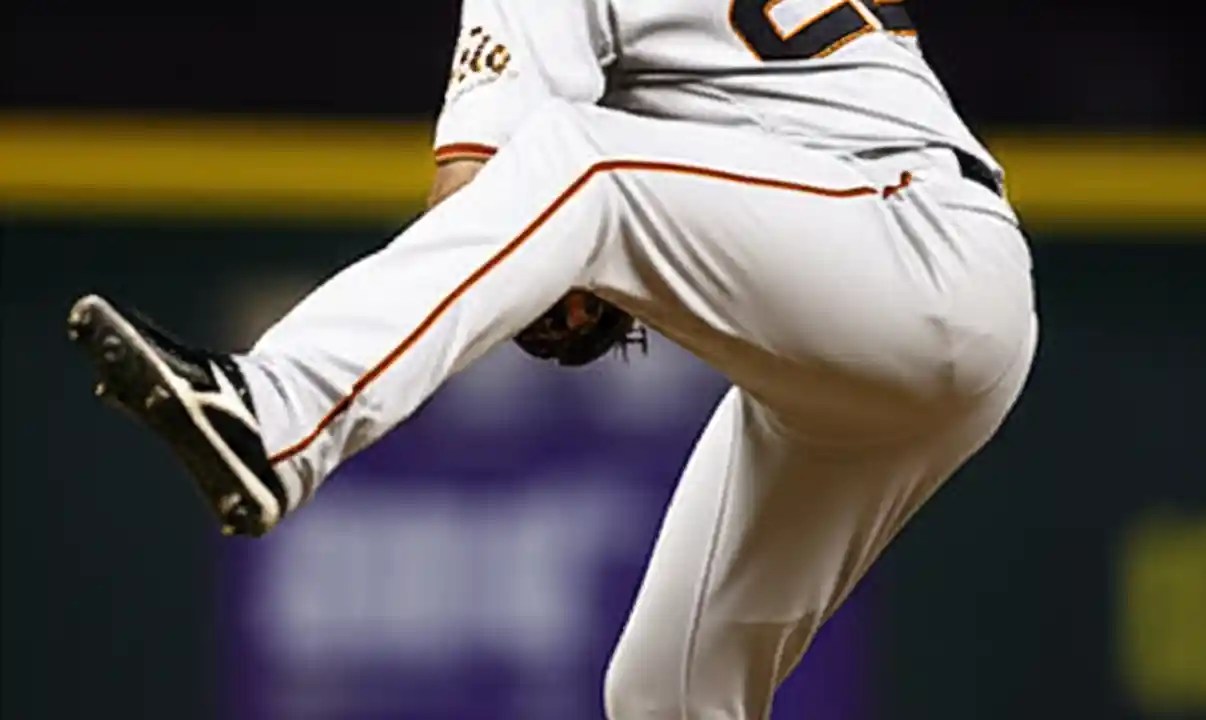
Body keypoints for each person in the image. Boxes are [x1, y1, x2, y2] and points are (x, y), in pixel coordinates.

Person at [68, 0, 1037, 716]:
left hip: (905, 242)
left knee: (586, 164)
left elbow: (477, 191)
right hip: (916, 308)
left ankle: (277, 415)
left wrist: (549, 274)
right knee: (667, 692)